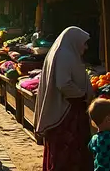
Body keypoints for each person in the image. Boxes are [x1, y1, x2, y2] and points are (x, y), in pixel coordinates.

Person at [34, 26, 95, 171]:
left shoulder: (64, 52)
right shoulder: (65, 55)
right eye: (84, 43)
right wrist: (83, 94)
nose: (85, 47)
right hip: (66, 113)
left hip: (67, 110)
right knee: (67, 154)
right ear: (75, 41)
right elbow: (64, 84)